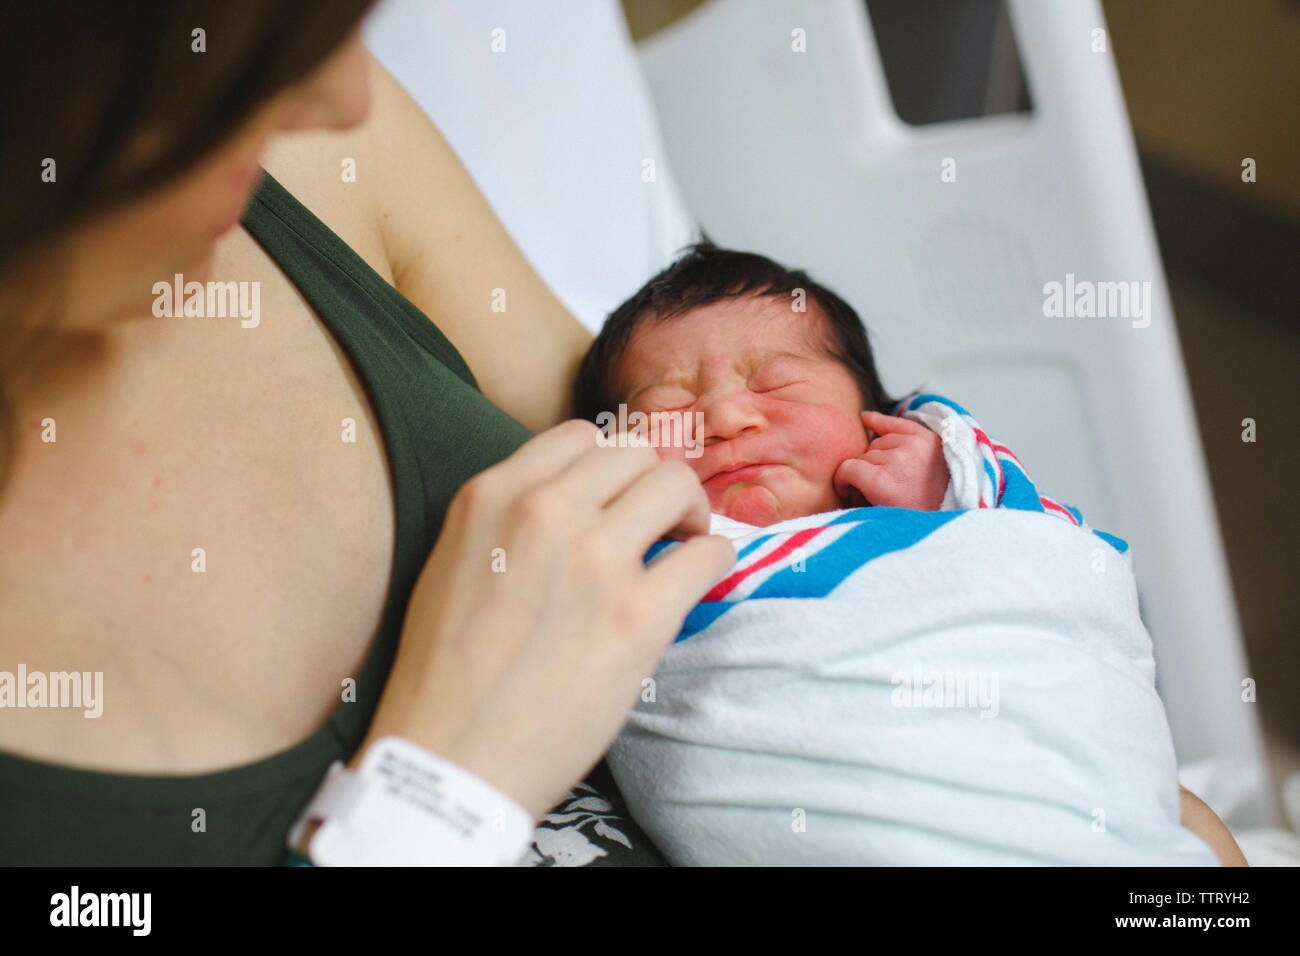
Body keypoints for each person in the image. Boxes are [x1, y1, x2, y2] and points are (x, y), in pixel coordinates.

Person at [0, 2, 733, 865]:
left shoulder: (307, 164)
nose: (347, 94)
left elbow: (724, 472)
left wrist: (924, 467)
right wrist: (434, 800)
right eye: (243, 50)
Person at [572, 241, 1248, 865]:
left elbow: (1053, 561)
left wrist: (946, 482)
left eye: (776, 384)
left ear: (874, 414)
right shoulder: (642, 550)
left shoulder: (947, 497)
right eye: (669, 407)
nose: (723, 418)